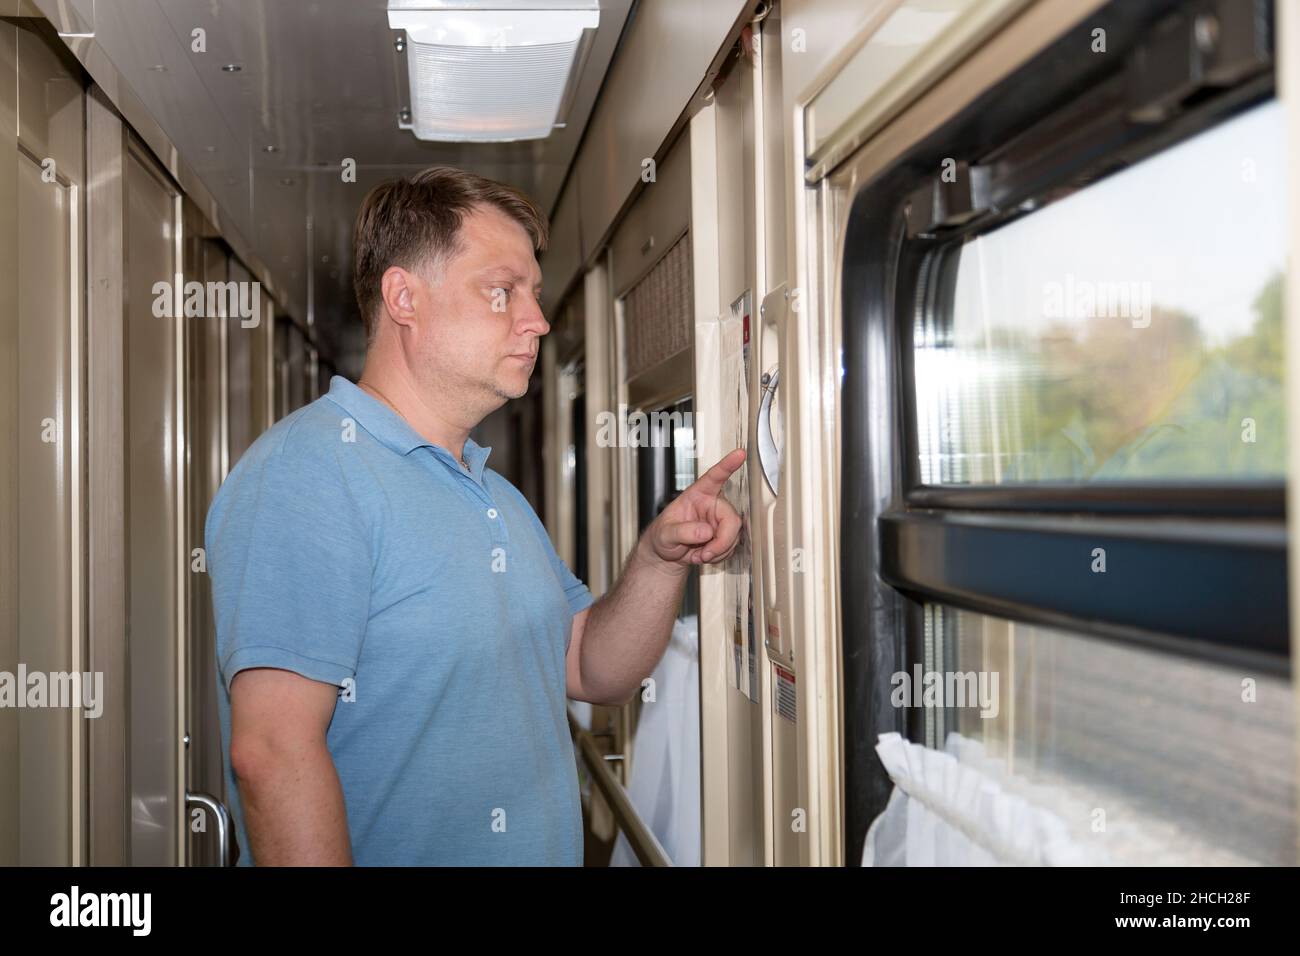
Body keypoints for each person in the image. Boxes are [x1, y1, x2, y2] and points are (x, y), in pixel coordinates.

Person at [205, 166, 744, 866]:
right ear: (405, 297)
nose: (538, 321)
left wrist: (657, 558)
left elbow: (588, 665)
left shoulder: (494, 492)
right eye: (502, 291)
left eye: (535, 294)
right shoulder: (309, 473)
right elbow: (273, 755)